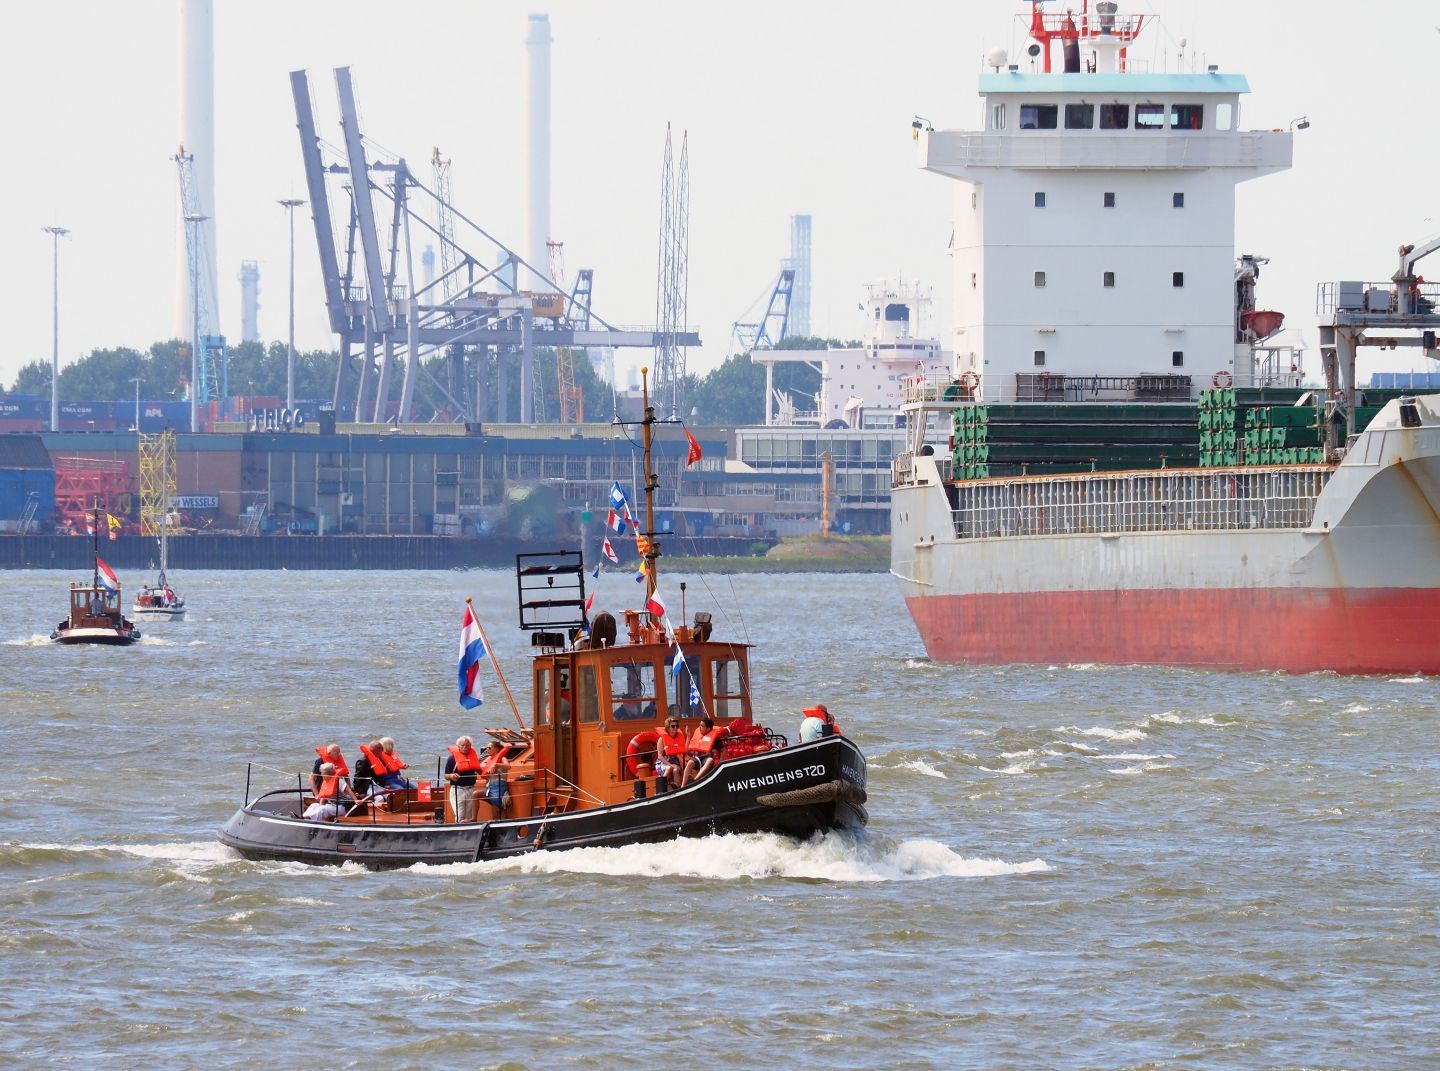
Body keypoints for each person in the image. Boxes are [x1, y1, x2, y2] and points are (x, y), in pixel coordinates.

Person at [445, 736, 483, 822]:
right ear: (458, 746)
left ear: (471, 746)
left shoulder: (473, 757)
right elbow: (446, 775)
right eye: (463, 745)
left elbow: (480, 771)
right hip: (458, 790)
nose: (465, 747)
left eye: (467, 745)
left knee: (469, 815)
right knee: (460, 815)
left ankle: (471, 833)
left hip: (471, 789)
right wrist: (452, 776)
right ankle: (459, 832)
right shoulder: (452, 759)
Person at [681, 717, 724, 787]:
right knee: (690, 762)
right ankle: (682, 787)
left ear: (708, 728)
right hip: (698, 759)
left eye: (702, 726)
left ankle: (695, 781)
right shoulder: (697, 735)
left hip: (707, 759)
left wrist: (721, 762)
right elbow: (687, 751)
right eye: (700, 725)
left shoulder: (714, 739)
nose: (699, 727)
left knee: (710, 760)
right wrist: (688, 736)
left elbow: (723, 750)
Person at [654, 716, 688, 792]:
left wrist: (688, 736)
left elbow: (685, 750)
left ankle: (678, 789)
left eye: (677, 726)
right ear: (668, 727)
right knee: (670, 768)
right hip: (663, 762)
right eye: (673, 726)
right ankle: (660, 789)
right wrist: (670, 765)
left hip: (674, 760)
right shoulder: (661, 739)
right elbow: (660, 756)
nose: (675, 728)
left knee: (676, 770)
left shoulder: (679, 737)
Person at [478, 741, 511, 817]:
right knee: (475, 795)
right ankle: (473, 819)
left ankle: (499, 825)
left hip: (499, 787)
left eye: (489, 748)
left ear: (496, 749)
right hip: (490, 788)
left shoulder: (502, 758)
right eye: (487, 748)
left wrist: (496, 765)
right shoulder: (488, 760)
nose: (487, 749)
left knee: (496, 814)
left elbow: (508, 766)